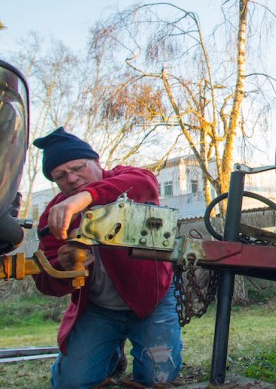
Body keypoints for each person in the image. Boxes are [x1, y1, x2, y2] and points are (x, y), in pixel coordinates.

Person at [31, 127, 182, 389]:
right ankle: (110, 354)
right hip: (98, 309)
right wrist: (64, 266)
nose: (72, 178)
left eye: (78, 167)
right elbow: (47, 281)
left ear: (97, 161)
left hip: (152, 299)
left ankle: (113, 351)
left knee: (158, 379)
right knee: (71, 383)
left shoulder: (128, 178)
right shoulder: (53, 215)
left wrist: (83, 199)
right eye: (61, 176)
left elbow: (145, 184)